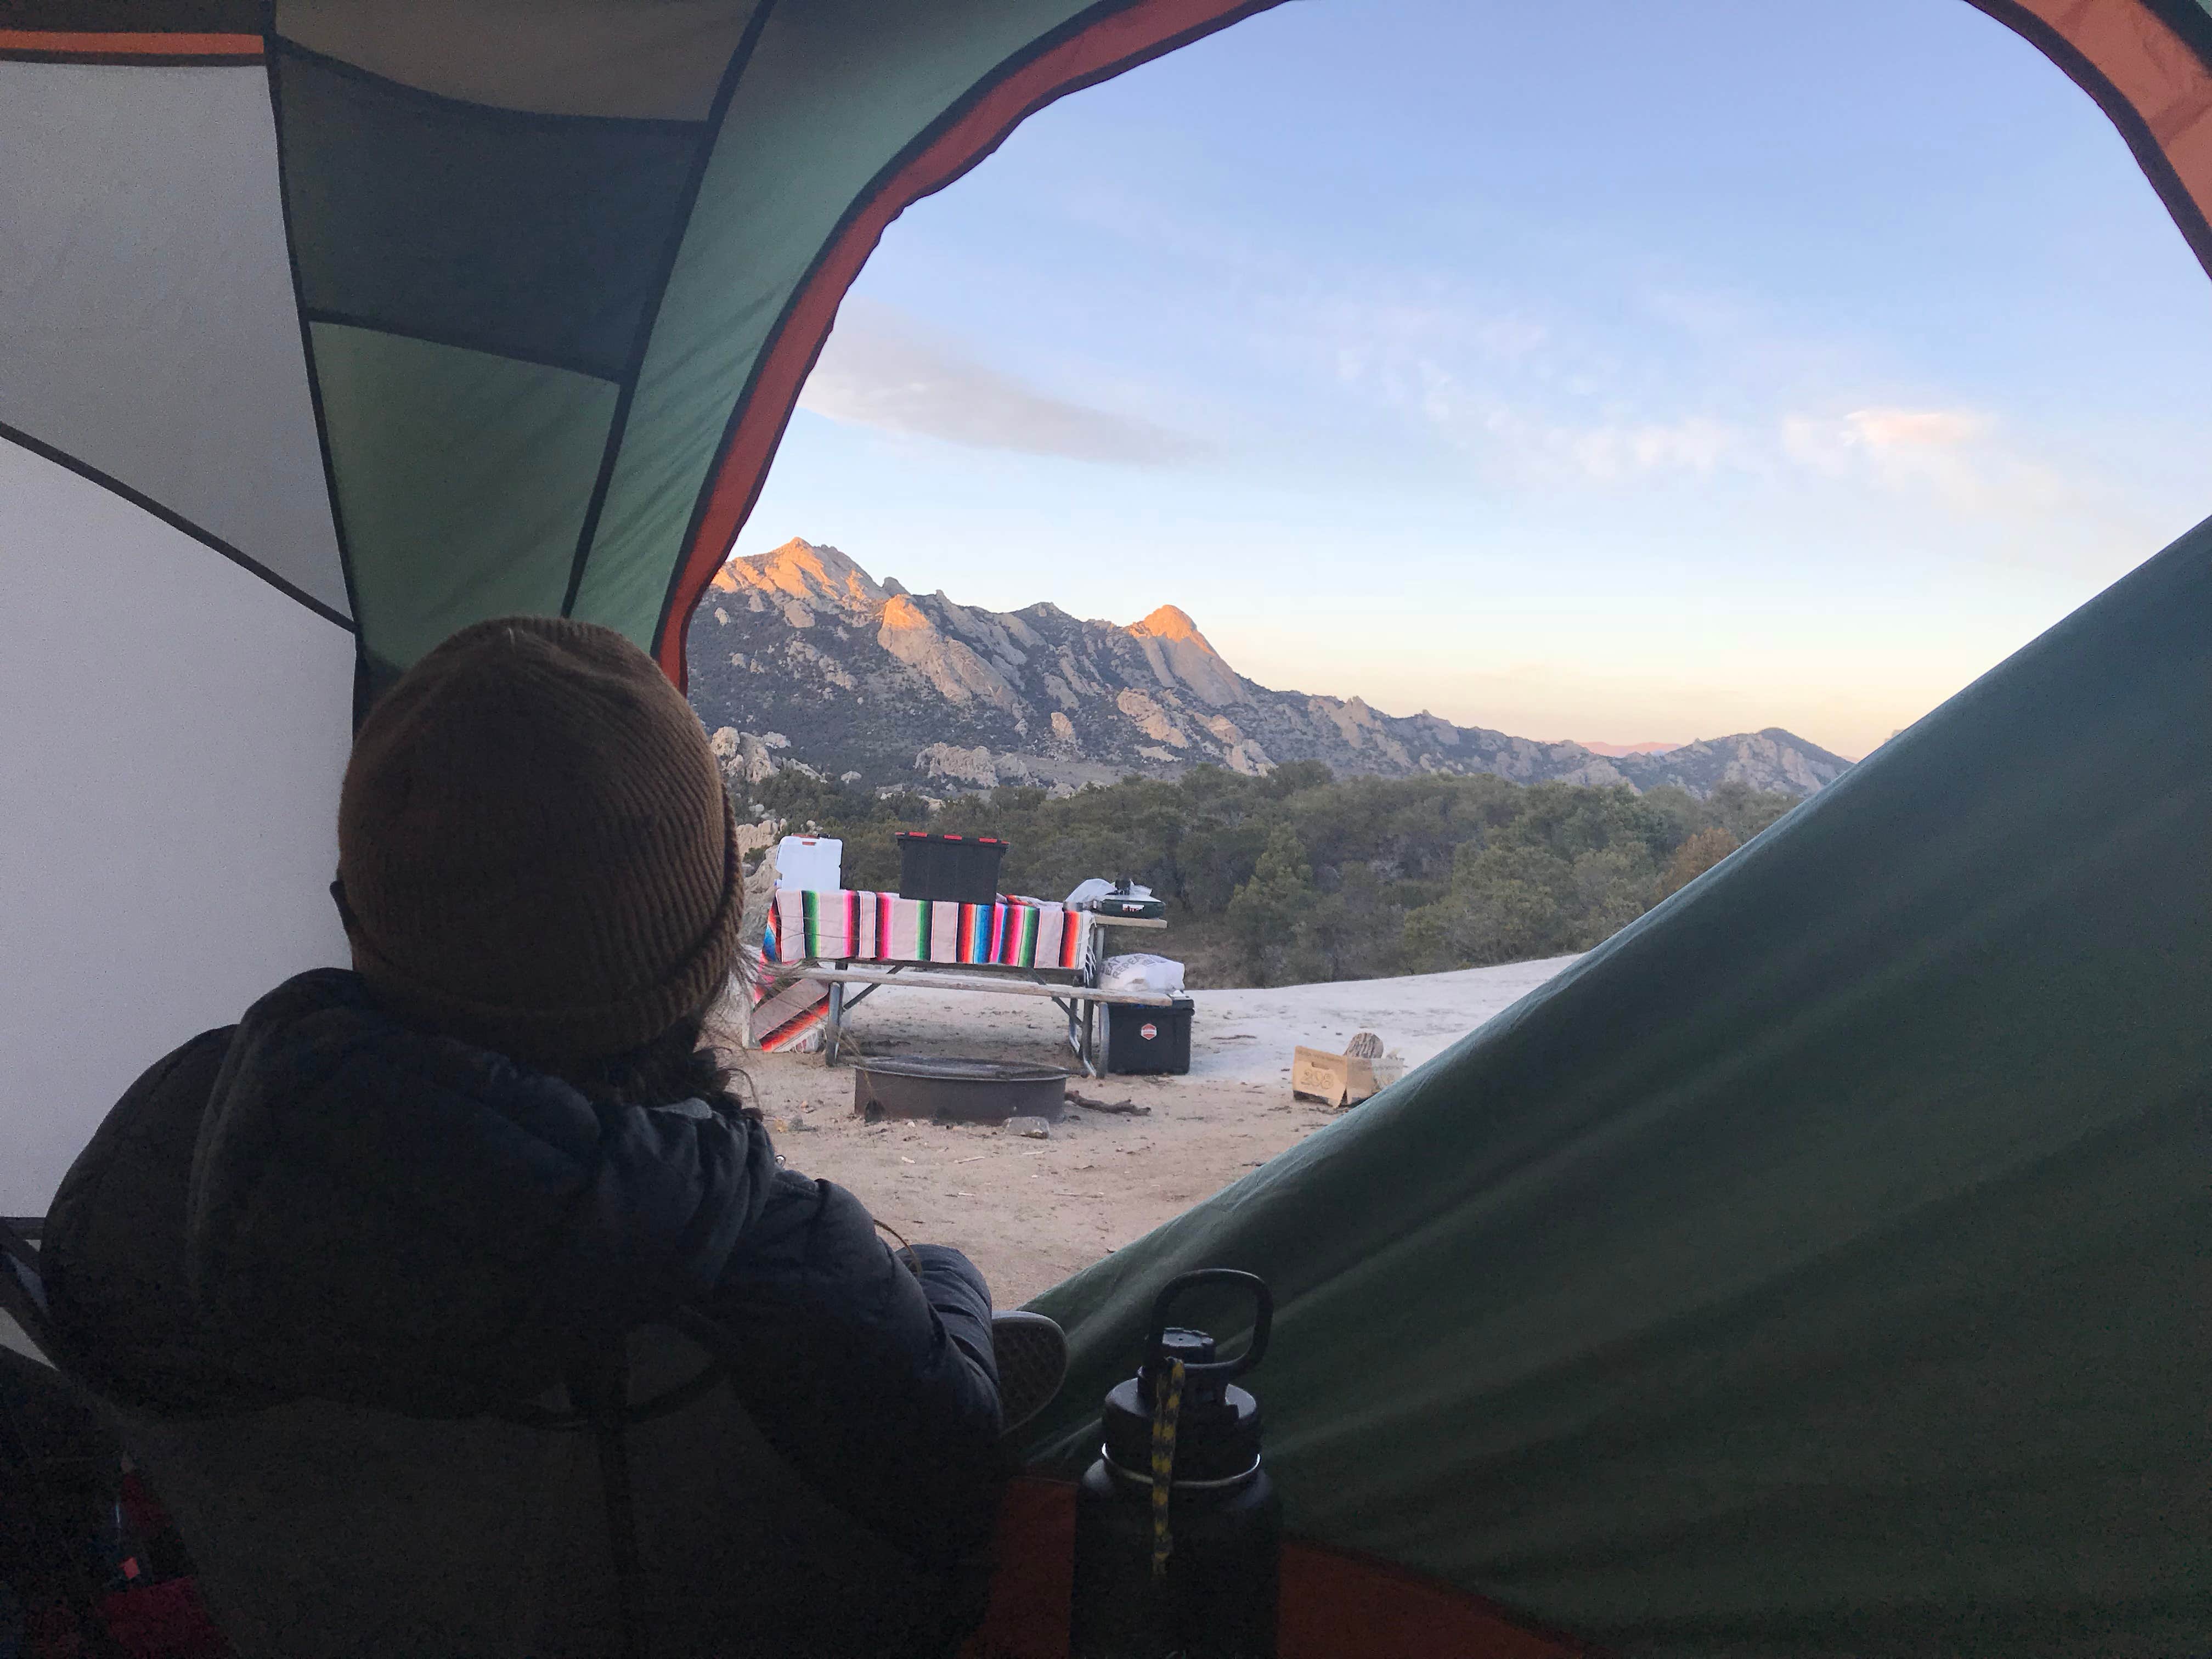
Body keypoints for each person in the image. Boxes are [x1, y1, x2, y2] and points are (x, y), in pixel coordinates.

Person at [40, 617, 1034, 1657]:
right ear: (696, 949)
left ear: (367, 902)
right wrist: (940, 1274)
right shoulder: (784, 1265)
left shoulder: (154, 1169)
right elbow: (954, 1482)